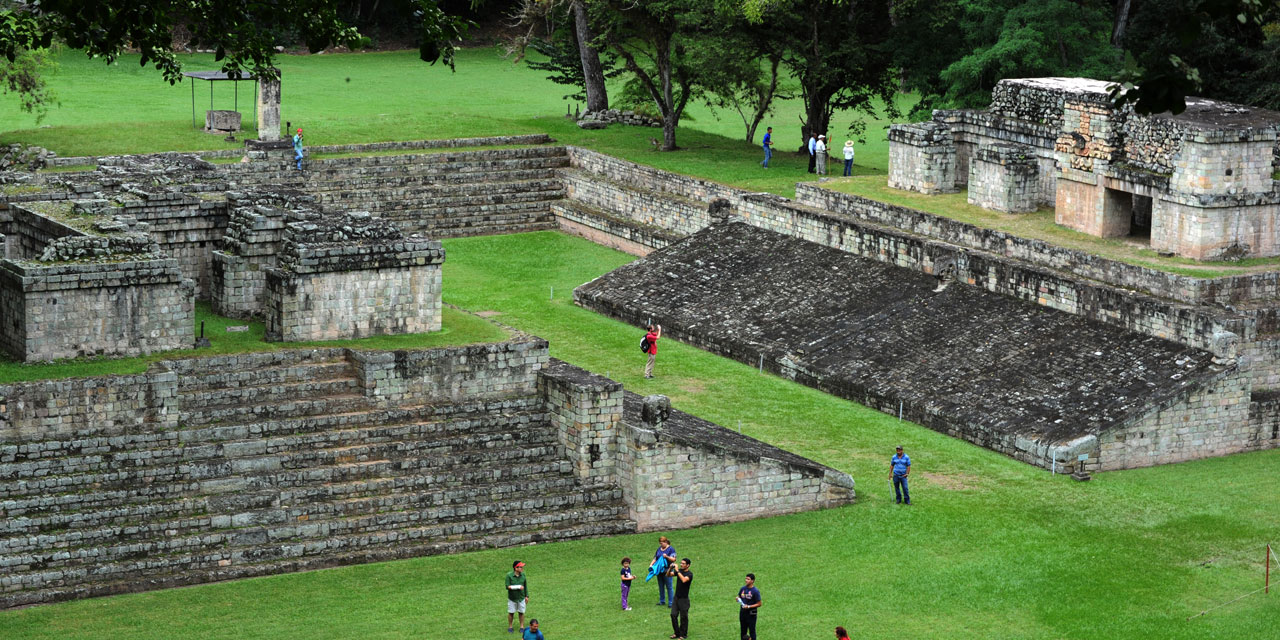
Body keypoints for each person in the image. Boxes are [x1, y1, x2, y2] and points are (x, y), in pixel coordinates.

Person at [649, 535, 677, 606]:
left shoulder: (671, 549)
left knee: (669, 586)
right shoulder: (659, 549)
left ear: (666, 542)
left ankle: (671, 603)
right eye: (660, 543)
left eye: (662, 543)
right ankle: (662, 601)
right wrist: (651, 564)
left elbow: (674, 559)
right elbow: (655, 558)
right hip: (659, 570)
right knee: (661, 586)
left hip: (668, 569)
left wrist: (667, 557)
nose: (661, 544)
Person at [669, 558, 692, 640]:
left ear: (688, 565)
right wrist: (670, 569)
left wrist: (677, 570)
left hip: (684, 599)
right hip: (676, 598)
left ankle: (683, 635)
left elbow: (684, 580)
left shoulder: (689, 574)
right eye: (681, 563)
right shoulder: (680, 571)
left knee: (683, 617)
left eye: (683, 563)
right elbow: (668, 575)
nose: (681, 564)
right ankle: (677, 633)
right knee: (673, 615)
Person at [506, 560, 530, 633]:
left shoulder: (523, 575)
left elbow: (525, 586)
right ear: (516, 568)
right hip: (512, 598)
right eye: (520, 567)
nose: (522, 568)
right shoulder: (509, 576)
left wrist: (527, 596)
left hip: (521, 597)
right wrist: (518, 587)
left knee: (521, 612)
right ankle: (510, 627)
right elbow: (507, 587)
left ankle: (522, 627)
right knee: (511, 612)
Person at [737, 573, 762, 640]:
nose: (746, 580)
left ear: (752, 581)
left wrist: (749, 606)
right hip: (743, 613)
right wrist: (738, 599)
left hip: (751, 614)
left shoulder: (755, 591)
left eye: (748, 579)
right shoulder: (743, 589)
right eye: (746, 578)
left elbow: (759, 604)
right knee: (743, 631)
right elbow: (739, 596)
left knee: (752, 631)